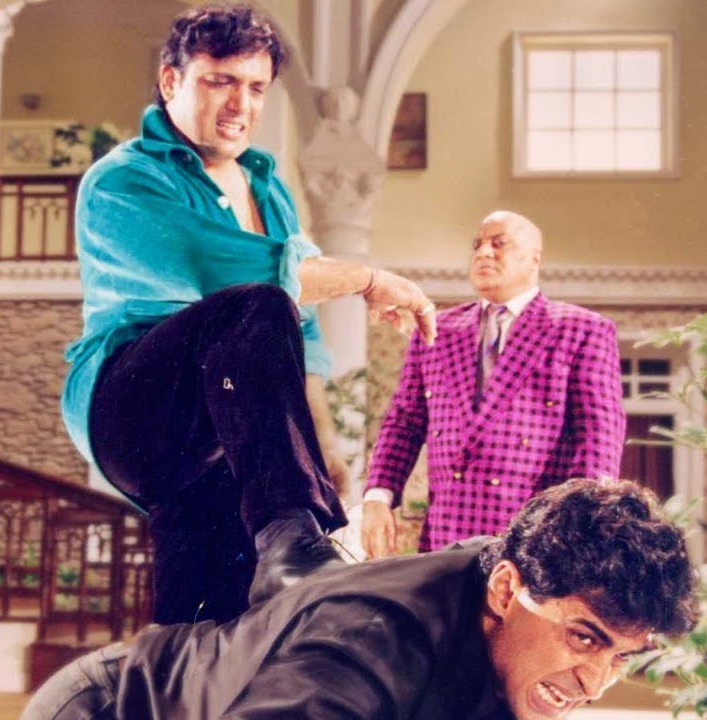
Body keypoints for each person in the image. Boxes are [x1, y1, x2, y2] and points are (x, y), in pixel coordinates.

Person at [62, 3, 437, 625]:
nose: (241, 104)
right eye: (220, 81)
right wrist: (368, 280)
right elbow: (227, 268)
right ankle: (292, 533)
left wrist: (318, 445)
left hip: (221, 424)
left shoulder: (268, 189)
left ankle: (192, 658)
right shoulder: (123, 179)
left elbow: (298, 331)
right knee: (256, 300)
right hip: (136, 411)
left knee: (212, 606)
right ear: (171, 81)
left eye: (257, 87)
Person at [22, 479, 696, 720]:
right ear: (505, 590)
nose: (595, 684)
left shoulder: (517, 605)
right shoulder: (367, 642)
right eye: (584, 638)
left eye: (622, 657)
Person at [363, 211, 626, 558]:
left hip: (535, 539)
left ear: (534, 259)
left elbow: (599, 435)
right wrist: (378, 496)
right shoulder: (437, 330)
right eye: (478, 245)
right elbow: (404, 423)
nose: (483, 252)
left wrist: (581, 526)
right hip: (446, 537)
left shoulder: (581, 330)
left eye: (499, 244)